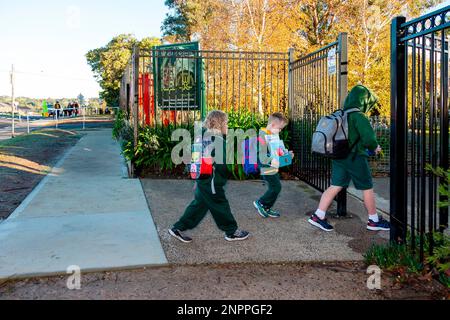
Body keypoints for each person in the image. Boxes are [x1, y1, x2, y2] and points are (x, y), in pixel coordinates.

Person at [307, 84, 390, 232]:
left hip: (339, 156)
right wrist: (374, 147)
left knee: (335, 186)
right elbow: (369, 139)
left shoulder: (341, 114)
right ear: (363, 101)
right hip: (355, 158)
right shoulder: (359, 117)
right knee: (367, 187)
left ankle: (318, 215)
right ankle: (373, 220)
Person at [169, 110, 249, 242]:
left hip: (203, 179)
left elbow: (195, 159)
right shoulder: (218, 141)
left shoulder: (203, 137)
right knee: (220, 204)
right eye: (226, 123)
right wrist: (224, 176)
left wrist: (197, 179)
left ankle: (177, 228)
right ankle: (231, 231)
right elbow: (222, 165)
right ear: (220, 124)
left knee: (199, 205)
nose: (227, 126)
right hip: (212, 182)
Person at [253, 112, 294, 218]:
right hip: (266, 165)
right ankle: (261, 203)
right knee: (276, 187)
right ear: (272, 125)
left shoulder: (272, 135)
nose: (280, 130)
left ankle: (266, 206)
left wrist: (287, 155)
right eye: (280, 128)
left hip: (271, 166)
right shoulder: (263, 135)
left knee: (275, 187)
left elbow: (278, 151)